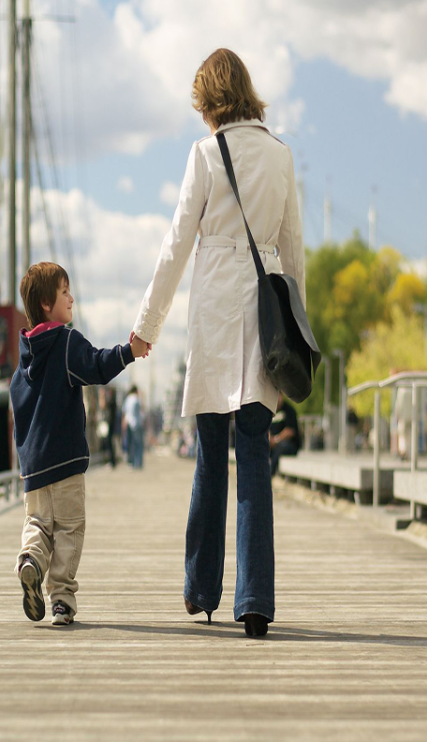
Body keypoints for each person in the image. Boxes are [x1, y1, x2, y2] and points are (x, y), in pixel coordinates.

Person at [131, 48, 305, 639]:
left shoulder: (206, 154)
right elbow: (294, 249)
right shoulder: (281, 156)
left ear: (210, 102)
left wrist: (147, 325)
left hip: (214, 311)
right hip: (263, 314)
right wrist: (297, 329)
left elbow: (177, 242)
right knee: (253, 454)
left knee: (210, 455)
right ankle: (254, 602)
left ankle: (202, 590)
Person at [11, 261, 147, 626]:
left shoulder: (24, 357)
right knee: (70, 529)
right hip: (66, 460)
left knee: (38, 524)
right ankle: (61, 601)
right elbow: (96, 365)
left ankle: (30, 560)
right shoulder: (66, 341)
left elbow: (18, 406)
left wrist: (25, 458)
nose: (71, 297)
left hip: (35, 468)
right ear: (46, 304)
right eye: (64, 291)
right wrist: (129, 352)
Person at [269, 395, 300, 475]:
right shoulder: (269, 411)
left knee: (280, 447)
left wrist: (275, 440)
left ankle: (270, 474)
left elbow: (290, 432)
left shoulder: (288, 411)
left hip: (289, 444)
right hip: (273, 443)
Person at [122, 385, 144, 469]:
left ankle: (130, 462)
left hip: (128, 423)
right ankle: (138, 463)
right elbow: (140, 411)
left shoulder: (127, 399)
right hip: (137, 423)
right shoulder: (136, 399)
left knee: (130, 444)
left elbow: (124, 412)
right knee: (138, 445)